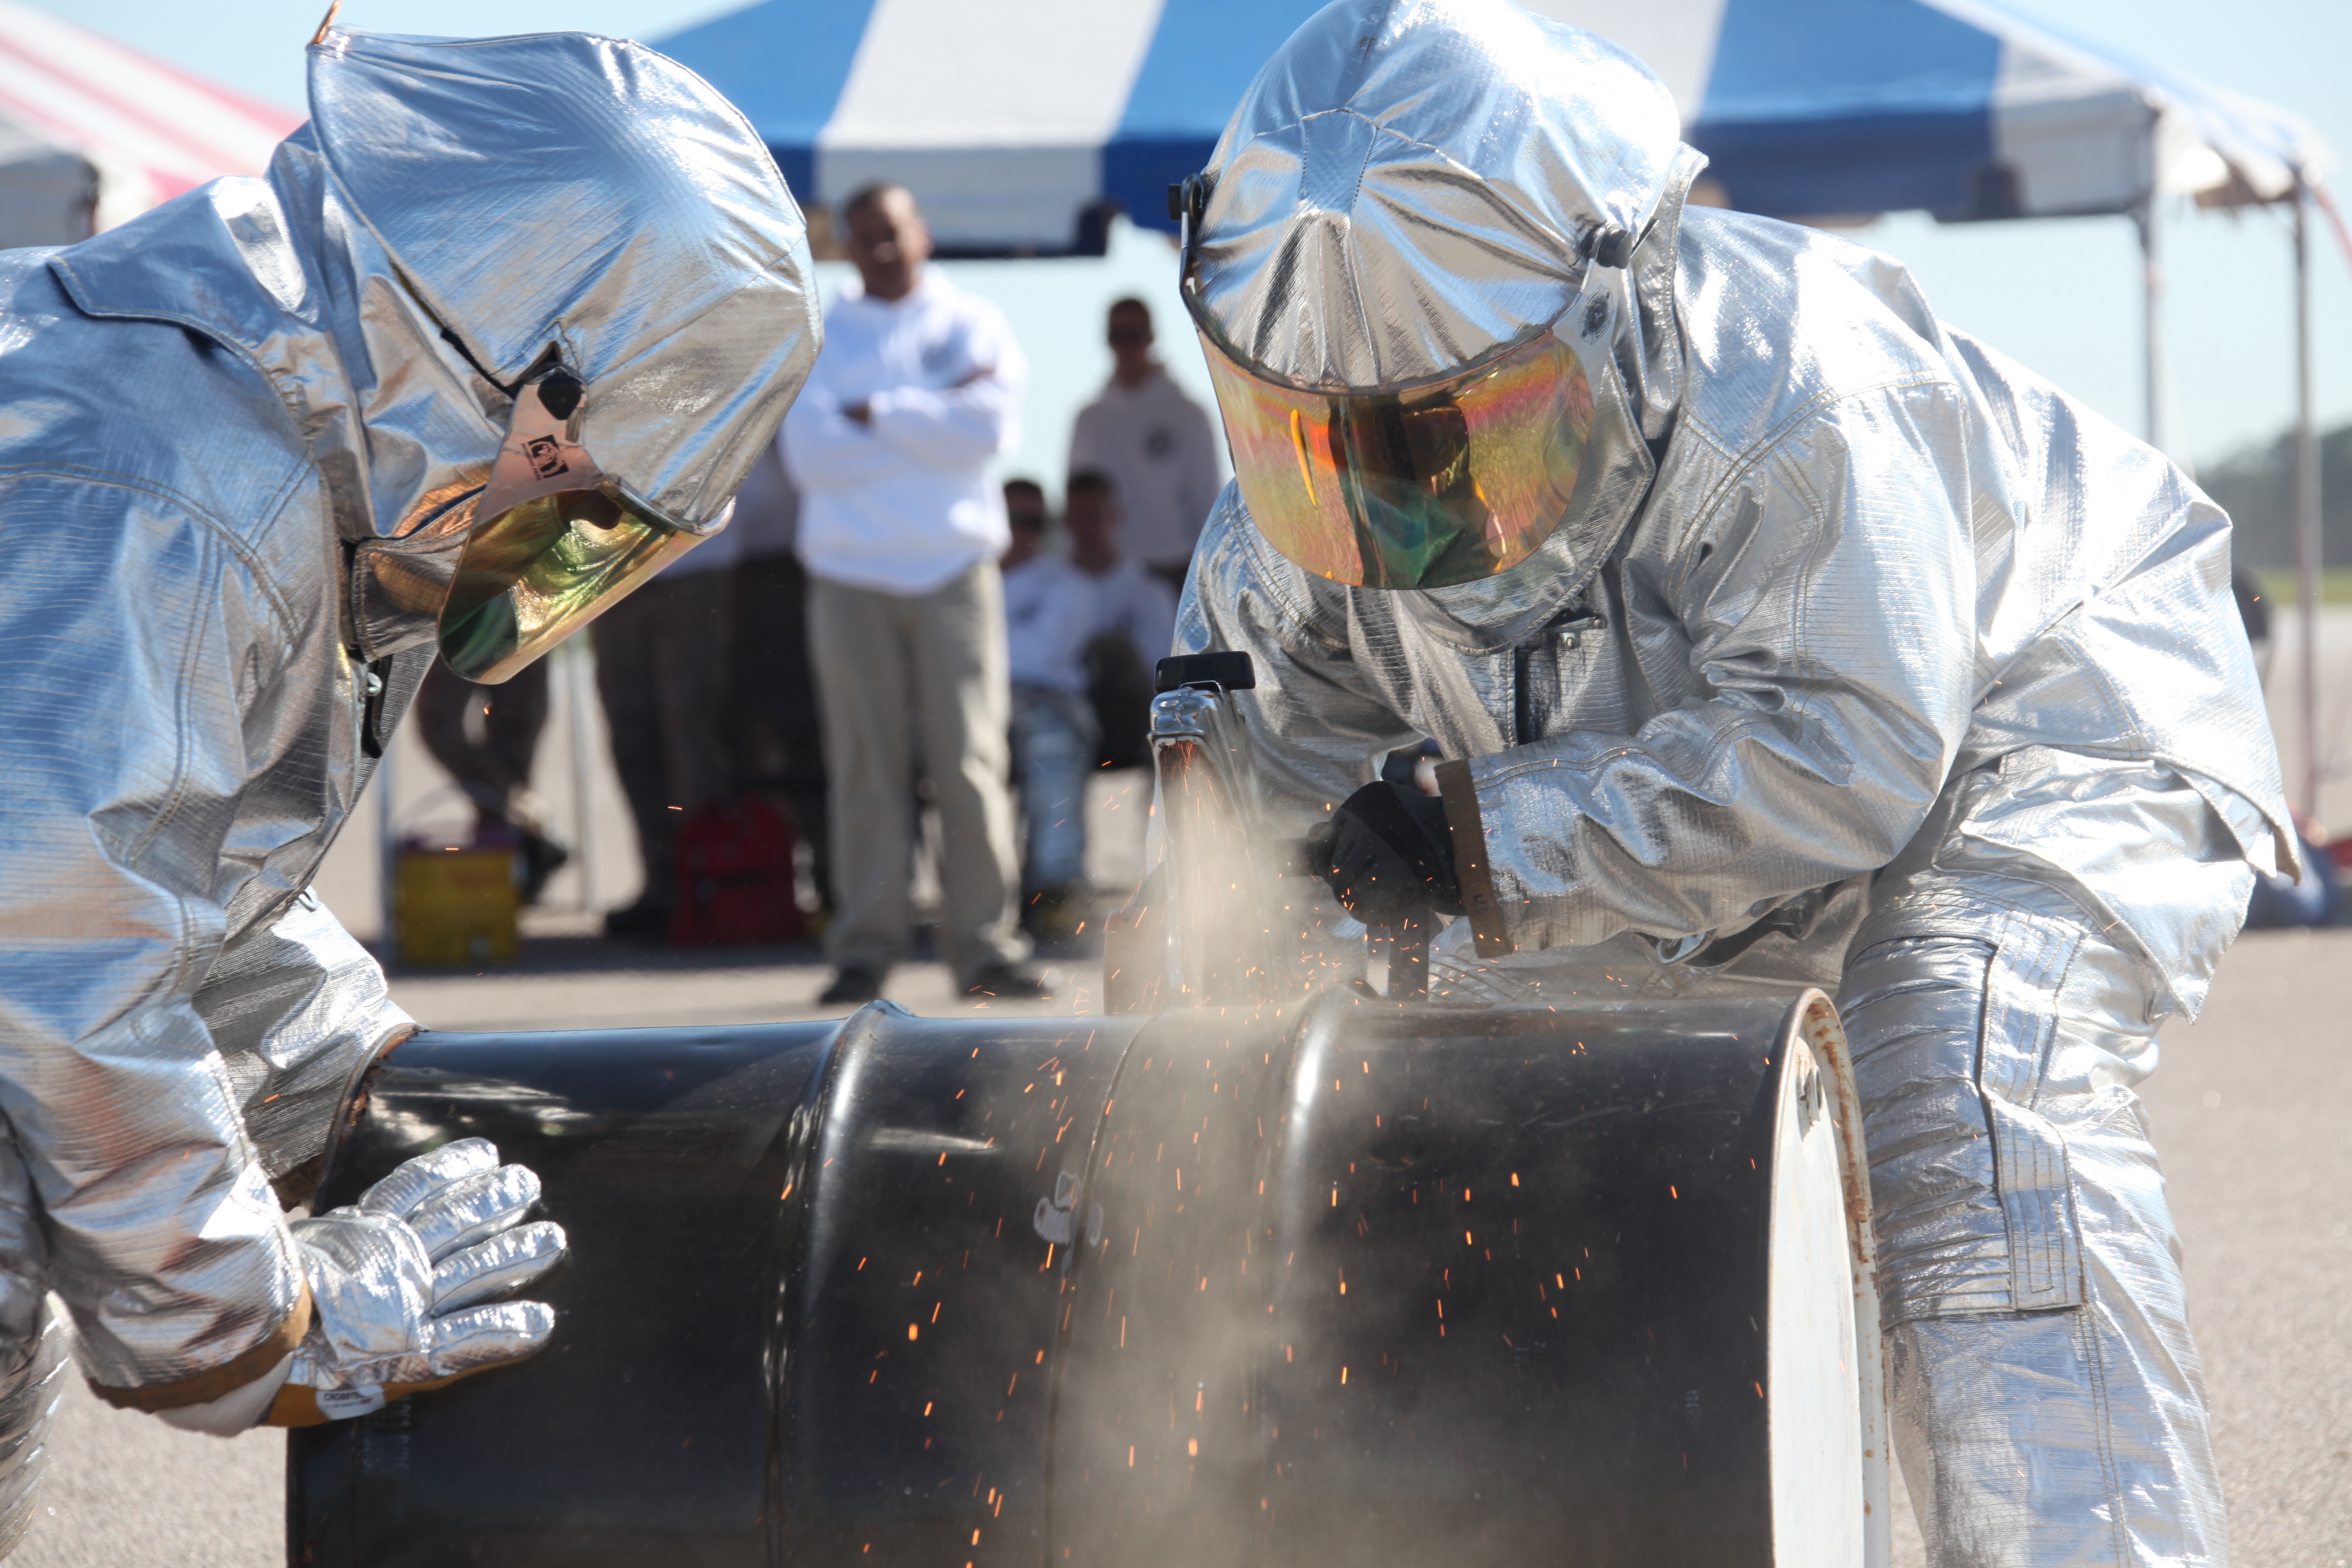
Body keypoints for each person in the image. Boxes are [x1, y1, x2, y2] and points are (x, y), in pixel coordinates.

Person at [1173, 5, 2291, 1565]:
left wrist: (1480, 838)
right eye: (1325, 450)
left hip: (2025, 717)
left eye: (1464, 438)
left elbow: (1849, 755)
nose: (1398, 513)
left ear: (1621, 294)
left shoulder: (1805, 393)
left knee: (1961, 1100)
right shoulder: (1297, 528)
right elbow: (1243, 871)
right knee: (1500, 1118)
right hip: (1712, 769)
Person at [0, 20, 818, 1532]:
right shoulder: (178, 488)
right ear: (509, 392)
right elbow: (54, 938)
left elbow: (181, 871)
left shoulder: (262, 426)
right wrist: (265, 1320)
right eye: (580, 515)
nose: (564, 567)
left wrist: (364, 1079)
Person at [785, 183, 1049, 1005]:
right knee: (865, 769)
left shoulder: (971, 321)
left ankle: (985, 947)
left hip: (951, 573)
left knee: (970, 763)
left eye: (893, 231)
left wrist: (875, 413)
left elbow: (992, 430)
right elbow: (809, 454)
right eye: (865, 236)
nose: (882, 248)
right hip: (850, 576)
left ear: (921, 233)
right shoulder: (821, 334)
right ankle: (865, 947)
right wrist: (929, 421)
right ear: (847, 246)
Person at [593, 523, 741, 940]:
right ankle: (662, 884)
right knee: (632, 734)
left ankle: (710, 881)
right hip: (611, 570)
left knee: (690, 735)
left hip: (692, 564)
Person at [1000, 480, 1101, 937]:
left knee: (1050, 736)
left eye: (1034, 522)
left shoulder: (1070, 585)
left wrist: (983, 649)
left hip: (1047, 702)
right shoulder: (954, 580)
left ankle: (1054, 892)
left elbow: (1044, 657)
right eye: (1010, 518)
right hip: (969, 704)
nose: (1022, 532)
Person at [1068, 298, 1224, 591]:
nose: (1126, 345)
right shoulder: (1089, 420)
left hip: (1173, 570)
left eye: (1135, 334)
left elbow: (1207, 499)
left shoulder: (1189, 415)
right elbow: (1076, 507)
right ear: (1107, 340)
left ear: (1151, 337)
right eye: (1117, 335)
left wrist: (1207, 580)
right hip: (1103, 576)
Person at [410, 658, 569, 901]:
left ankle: (510, 852)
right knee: (440, 720)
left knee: (515, 724)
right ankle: (528, 827)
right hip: (442, 623)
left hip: (519, 621)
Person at [1062, 468, 1177, 771]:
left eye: (1095, 515)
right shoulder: (1047, 587)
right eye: (1078, 516)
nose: (1087, 527)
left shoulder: (1150, 593)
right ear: (1066, 521)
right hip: (1068, 716)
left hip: (1130, 721)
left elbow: (1161, 670)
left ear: (1115, 517)